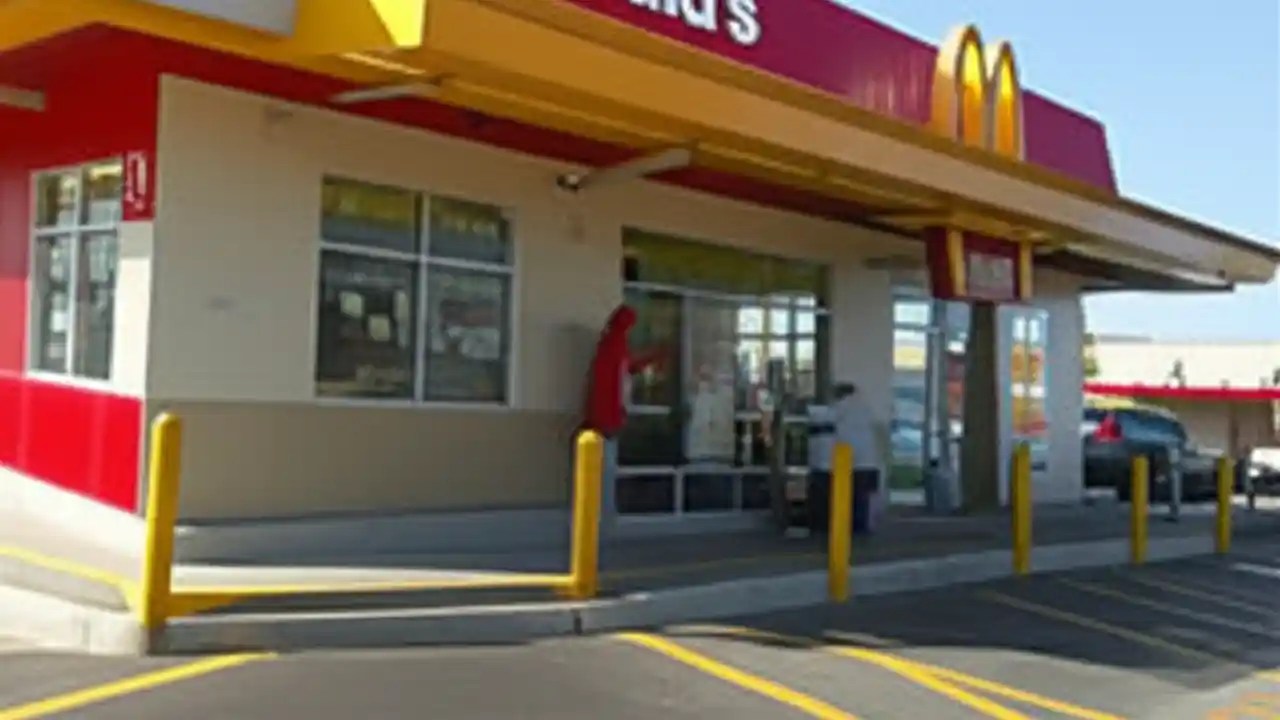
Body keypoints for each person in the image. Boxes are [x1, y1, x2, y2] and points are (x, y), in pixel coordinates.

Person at [581, 304, 663, 524]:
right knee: (604, 466)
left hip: (606, 414)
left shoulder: (611, 344)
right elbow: (617, 377)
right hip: (607, 416)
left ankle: (603, 511)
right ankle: (603, 513)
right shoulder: (614, 345)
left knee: (604, 465)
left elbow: (625, 369)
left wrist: (649, 359)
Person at [831, 382, 882, 535]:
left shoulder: (840, 408)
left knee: (851, 496)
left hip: (849, 460)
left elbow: (828, 424)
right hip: (870, 459)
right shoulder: (866, 408)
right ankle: (865, 525)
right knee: (865, 496)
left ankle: (852, 527)